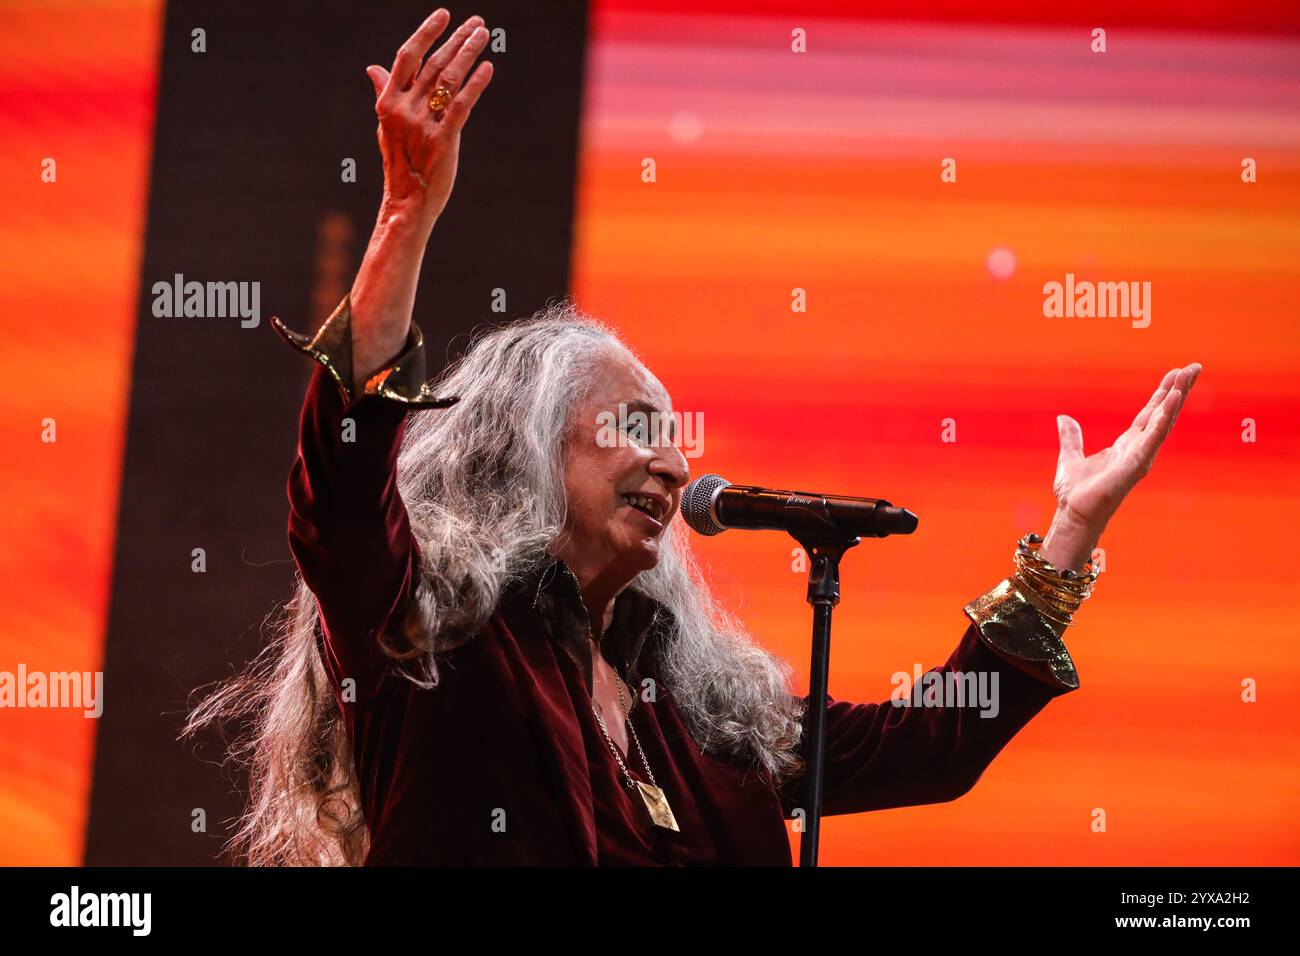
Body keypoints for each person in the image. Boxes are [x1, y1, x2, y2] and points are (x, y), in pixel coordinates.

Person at [188, 9, 1201, 866]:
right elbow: (339, 491)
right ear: (523, 450)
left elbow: (932, 747)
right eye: (634, 429)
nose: (675, 462)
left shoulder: (697, 714)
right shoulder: (434, 636)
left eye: (675, 437)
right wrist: (405, 215)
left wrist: (1065, 538)